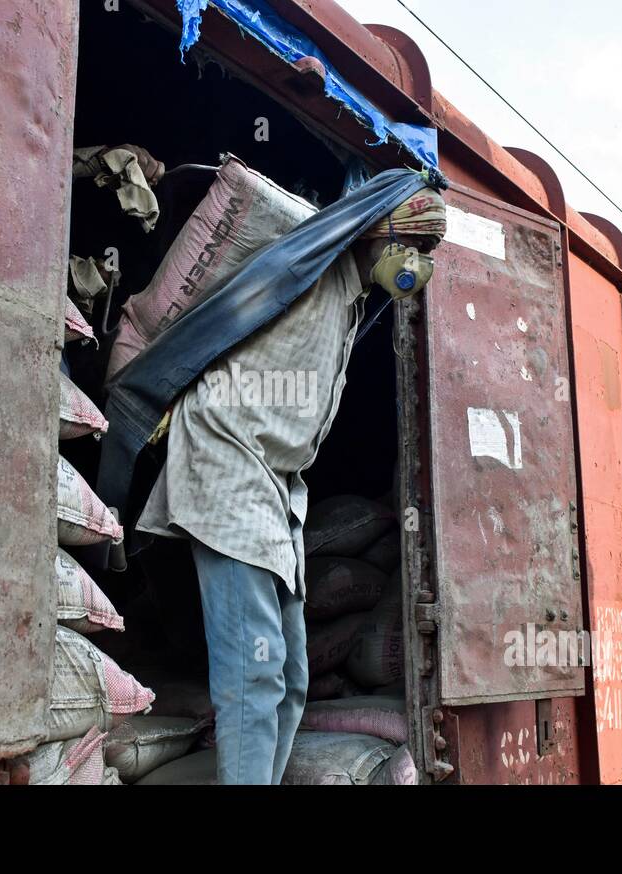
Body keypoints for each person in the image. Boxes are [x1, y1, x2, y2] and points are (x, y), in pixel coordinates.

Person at [135, 185, 447, 784]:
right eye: (414, 244)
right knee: (256, 674)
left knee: (292, 678)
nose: (420, 263)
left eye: (428, 250)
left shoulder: (354, 302)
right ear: (379, 231)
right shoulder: (311, 265)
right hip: (227, 464)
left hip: (277, 488)